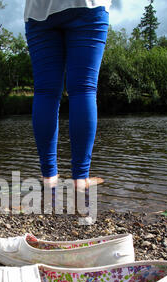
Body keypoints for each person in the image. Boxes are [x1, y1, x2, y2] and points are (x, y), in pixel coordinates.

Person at [24, 0, 111, 191]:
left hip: (39, 10)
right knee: (83, 89)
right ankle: (80, 179)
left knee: (45, 92)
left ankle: (49, 177)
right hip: (88, 5)